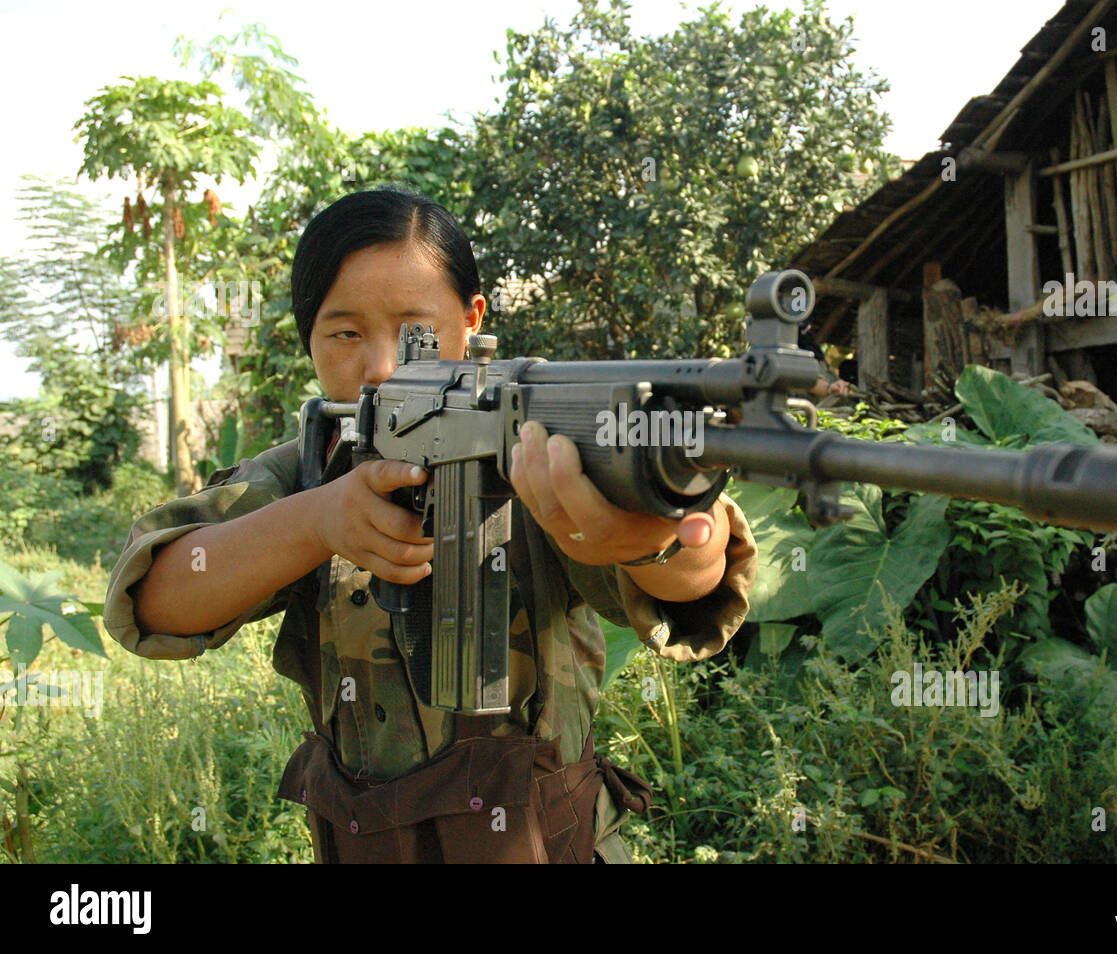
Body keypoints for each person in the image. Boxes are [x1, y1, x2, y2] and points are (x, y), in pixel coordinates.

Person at [103, 186, 757, 863]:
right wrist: (318, 521)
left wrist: (654, 544)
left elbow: (696, 573)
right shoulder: (314, 468)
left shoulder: (532, 453)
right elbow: (153, 598)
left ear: (472, 318)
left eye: (418, 330)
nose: (384, 365)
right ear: (309, 339)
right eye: (345, 332)